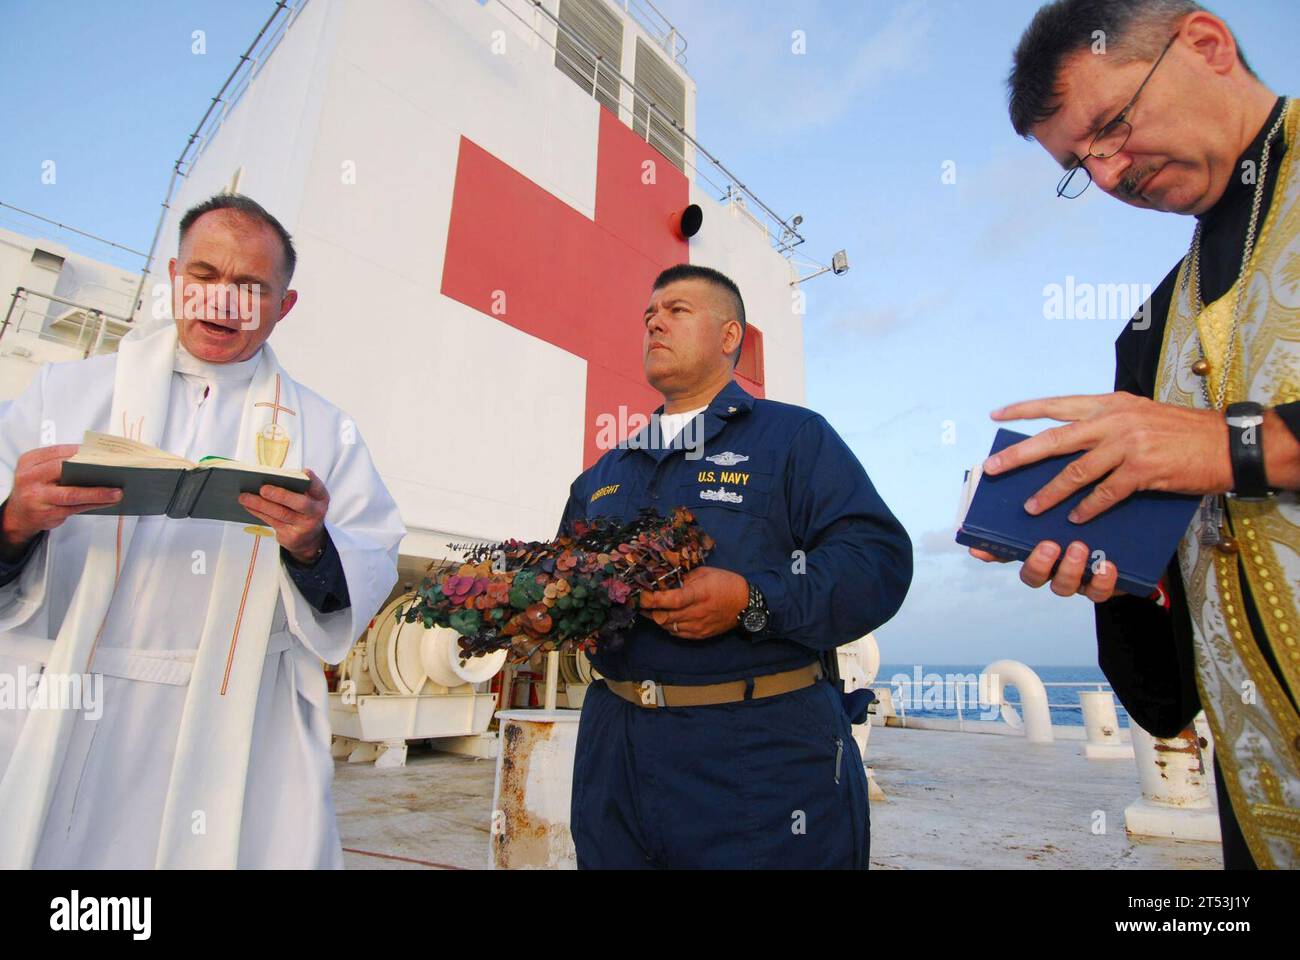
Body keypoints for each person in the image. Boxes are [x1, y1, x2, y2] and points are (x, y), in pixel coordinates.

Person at [983, 0, 1300, 868]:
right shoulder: (1151, 327)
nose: (1112, 172)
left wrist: (1232, 448)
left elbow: (1219, 451)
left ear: (1206, 43)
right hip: (1260, 798)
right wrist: (1111, 574)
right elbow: (1165, 703)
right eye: (1082, 165)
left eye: (1112, 125)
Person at [0, 193, 404, 868]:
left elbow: (366, 561)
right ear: (174, 277)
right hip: (69, 698)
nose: (224, 302)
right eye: (206, 276)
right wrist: (15, 521)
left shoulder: (325, 430)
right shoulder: (60, 397)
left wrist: (310, 547)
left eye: (252, 286)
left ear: (285, 304)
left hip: (242, 717)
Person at [557, 263, 912, 868]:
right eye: (649, 314)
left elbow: (875, 563)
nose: (655, 322)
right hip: (615, 755)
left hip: (759, 758)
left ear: (730, 338)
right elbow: (564, 583)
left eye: (677, 310)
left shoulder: (795, 438)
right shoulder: (605, 472)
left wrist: (751, 600)